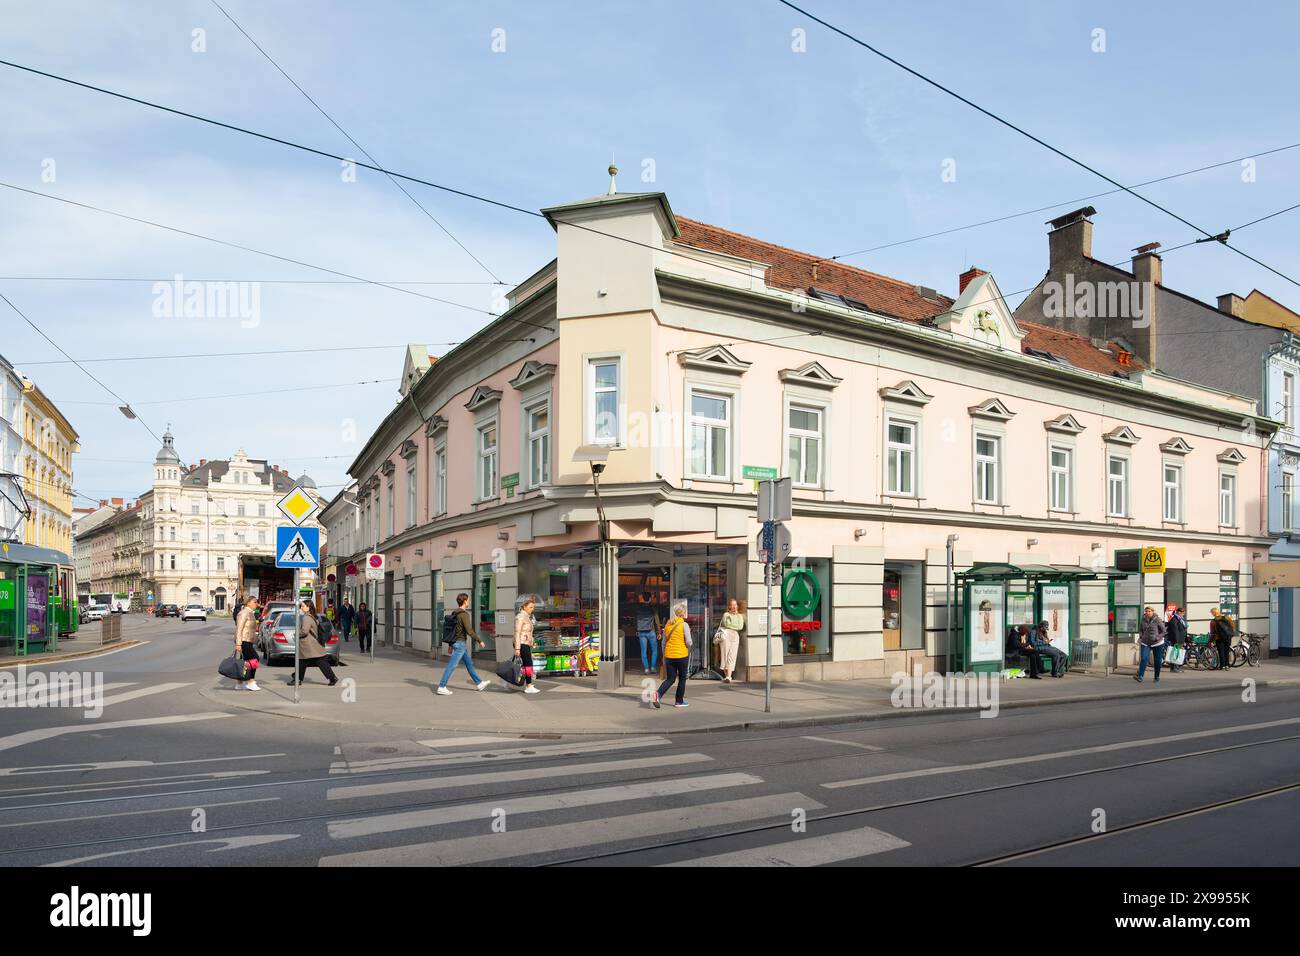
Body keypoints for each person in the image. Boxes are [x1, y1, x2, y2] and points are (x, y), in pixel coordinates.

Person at [437, 592, 491, 696]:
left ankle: (479, 683)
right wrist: (480, 641)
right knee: (452, 665)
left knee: (469, 663)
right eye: (468, 600)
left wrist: (450, 645)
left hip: (457, 643)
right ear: (465, 601)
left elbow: (452, 630)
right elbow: (469, 631)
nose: (469, 602)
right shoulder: (464, 614)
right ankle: (442, 686)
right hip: (460, 644)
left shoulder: (455, 613)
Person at [287, 600, 339, 686]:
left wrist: (296, 633)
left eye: (303, 606)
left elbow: (304, 631)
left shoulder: (307, 618)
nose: (301, 608)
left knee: (305, 662)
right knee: (309, 662)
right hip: (313, 645)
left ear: (308, 607)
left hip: (308, 645)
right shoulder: (312, 616)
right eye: (301, 606)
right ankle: (297, 679)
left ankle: (297, 679)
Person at [654, 602, 691, 709]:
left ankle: (658, 694)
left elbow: (663, 643)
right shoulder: (684, 625)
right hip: (681, 655)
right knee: (682, 678)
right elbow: (689, 642)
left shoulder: (668, 625)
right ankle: (679, 701)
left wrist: (664, 656)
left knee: (670, 679)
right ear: (683, 613)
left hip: (669, 656)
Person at [233, 596, 261, 691]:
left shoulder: (250, 613)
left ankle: (240, 682)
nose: (256, 604)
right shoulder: (244, 612)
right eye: (254, 602)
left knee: (246, 662)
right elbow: (239, 628)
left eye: (256, 602)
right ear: (248, 602)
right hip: (244, 640)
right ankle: (250, 681)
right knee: (254, 659)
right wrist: (238, 643)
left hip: (248, 640)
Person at [514, 596, 540, 694]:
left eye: (533, 607)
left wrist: (532, 641)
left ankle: (506, 681)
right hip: (521, 643)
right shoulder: (520, 617)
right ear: (524, 607)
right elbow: (517, 632)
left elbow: (529, 632)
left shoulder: (527, 617)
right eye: (530, 607)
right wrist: (517, 648)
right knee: (528, 664)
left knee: (524, 665)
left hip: (525, 643)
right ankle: (529, 685)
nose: (532, 609)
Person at [1135, 605, 1167, 683]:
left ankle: (1156, 677)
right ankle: (1140, 676)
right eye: (1146, 611)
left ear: (1153, 612)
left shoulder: (1157, 620)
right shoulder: (1143, 620)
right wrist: (1141, 636)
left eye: (1149, 611)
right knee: (1144, 658)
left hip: (1157, 643)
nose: (1147, 613)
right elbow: (1141, 630)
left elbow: (1164, 631)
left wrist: (1157, 637)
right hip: (1145, 642)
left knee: (1157, 661)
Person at [717, 598, 745, 683]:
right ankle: (727, 676)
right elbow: (726, 624)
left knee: (732, 656)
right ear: (729, 606)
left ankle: (729, 676)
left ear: (737, 606)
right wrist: (733, 625)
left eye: (735, 605)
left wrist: (731, 625)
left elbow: (740, 627)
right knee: (725, 655)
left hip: (735, 636)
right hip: (726, 635)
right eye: (732, 605)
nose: (734, 607)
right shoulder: (726, 614)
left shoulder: (740, 616)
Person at [635, 592, 661, 675]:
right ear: (650, 598)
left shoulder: (638, 608)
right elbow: (656, 621)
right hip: (651, 632)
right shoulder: (653, 608)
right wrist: (659, 632)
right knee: (654, 650)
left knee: (643, 651)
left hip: (641, 632)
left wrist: (636, 629)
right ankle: (653, 668)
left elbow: (635, 621)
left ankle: (646, 669)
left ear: (642, 597)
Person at [1166, 606, 1188, 672]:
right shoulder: (1174, 619)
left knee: (1176, 653)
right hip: (1176, 639)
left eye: (1184, 613)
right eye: (1182, 612)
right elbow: (1175, 631)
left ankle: (1175, 667)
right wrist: (1176, 641)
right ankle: (1175, 668)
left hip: (1180, 639)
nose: (1183, 614)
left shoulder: (1180, 619)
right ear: (1178, 612)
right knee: (1176, 653)